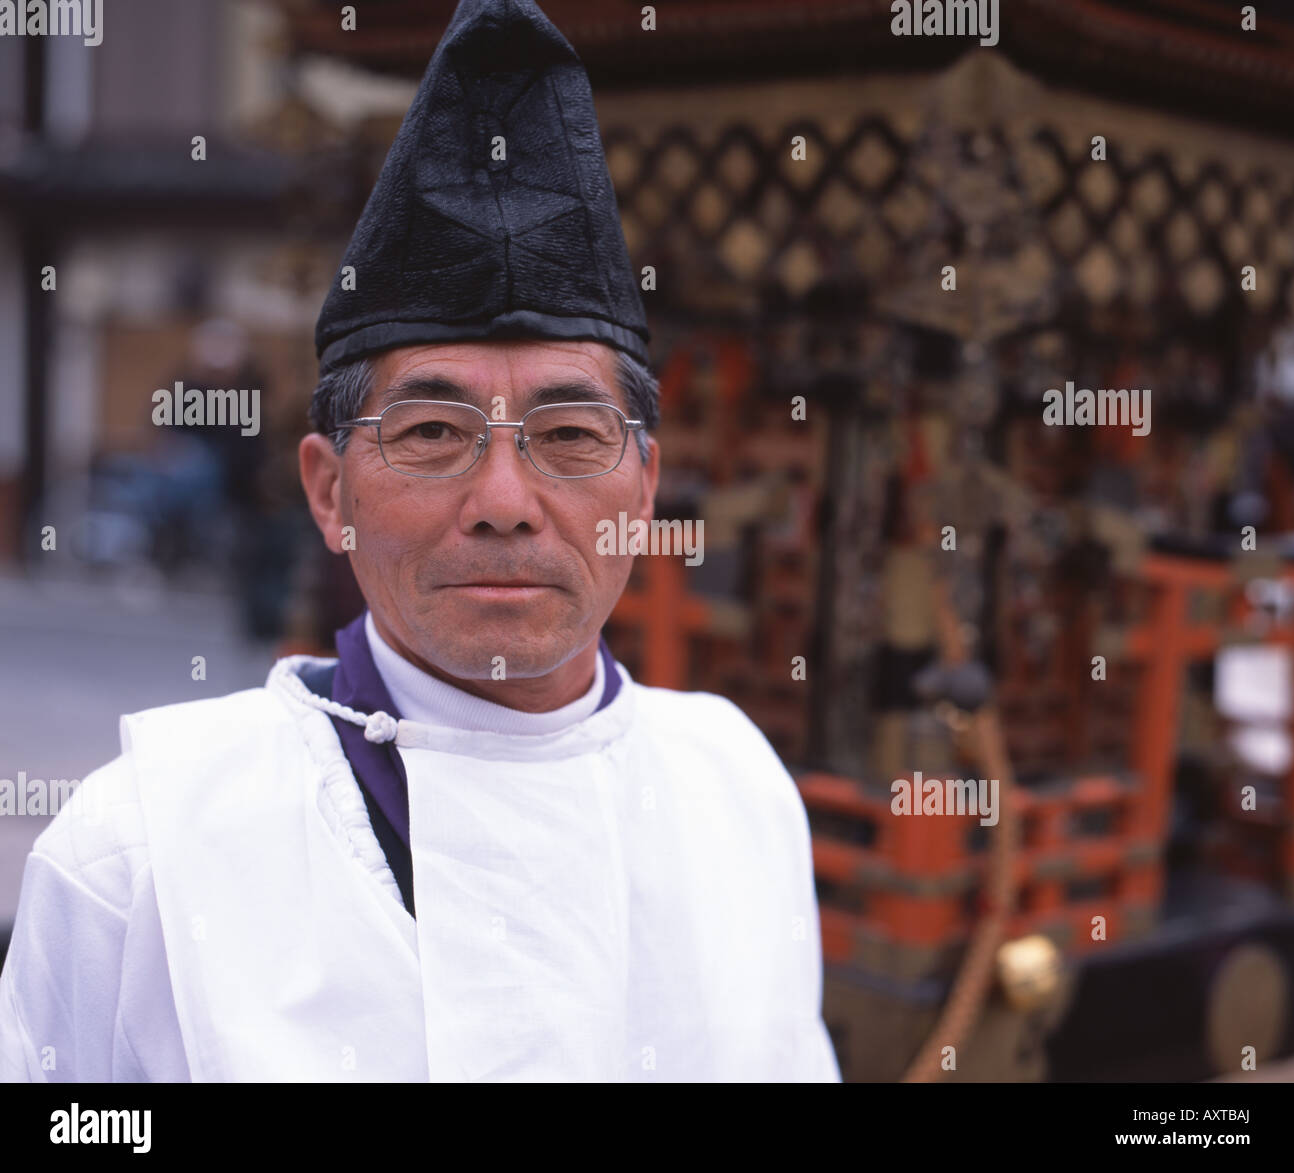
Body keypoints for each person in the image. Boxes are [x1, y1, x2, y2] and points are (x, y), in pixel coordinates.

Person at [0, 0, 840, 1082]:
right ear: (327, 486)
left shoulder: (735, 788)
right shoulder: (145, 847)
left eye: (569, 435)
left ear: (645, 484)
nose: (502, 498)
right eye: (433, 431)